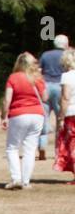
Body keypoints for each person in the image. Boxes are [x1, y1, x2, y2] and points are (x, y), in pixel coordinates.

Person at [0, 52, 46, 190]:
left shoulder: (13, 77)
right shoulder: (37, 78)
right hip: (37, 114)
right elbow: (45, 97)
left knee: (12, 147)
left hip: (18, 114)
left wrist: (4, 116)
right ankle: (26, 181)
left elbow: (7, 99)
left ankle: (16, 179)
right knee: (30, 149)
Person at [37, 32, 68, 161]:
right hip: (60, 86)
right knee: (60, 119)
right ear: (65, 44)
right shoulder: (67, 56)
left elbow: (39, 71)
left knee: (43, 118)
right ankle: (57, 152)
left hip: (46, 86)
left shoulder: (45, 55)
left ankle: (42, 147)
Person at [52, 47, 75, 182]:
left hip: (71, 113)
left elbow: (65, 97)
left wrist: (61, 116)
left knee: (72, 143)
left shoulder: (67, 76)